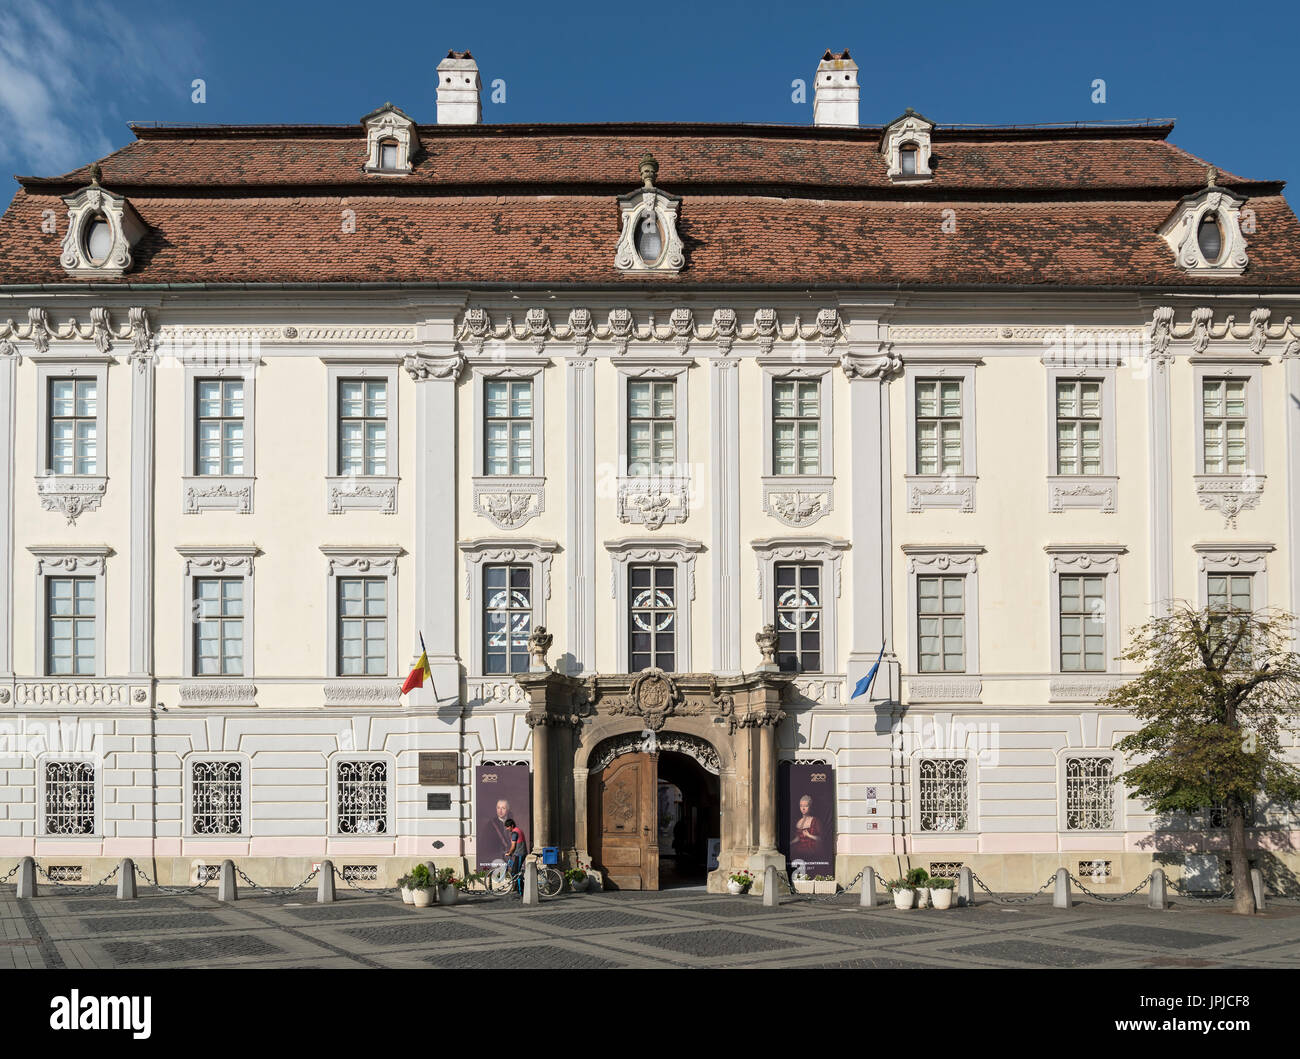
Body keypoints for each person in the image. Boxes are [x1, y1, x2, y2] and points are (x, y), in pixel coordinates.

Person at [790, 794, 824, 866]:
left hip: (811, 849)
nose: (803, 808)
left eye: (806, 806)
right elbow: (798, 838)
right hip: (799, 849)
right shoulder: (799, 822)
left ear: (810, 807)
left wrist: (809, 835)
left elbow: (821, 839)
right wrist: (790, 843)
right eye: (801, 806)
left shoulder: (815, 821)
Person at [504, 817, 527, 896]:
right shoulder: (519, 830)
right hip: (520, 853)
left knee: (515, 872)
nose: (507, 829)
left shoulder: (514, 833)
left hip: (520, 854)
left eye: (508, 827)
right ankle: (518, 889)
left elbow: (513, 846)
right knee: (515, 872)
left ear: (512, 826)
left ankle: (522, 891)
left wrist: (509, 853)